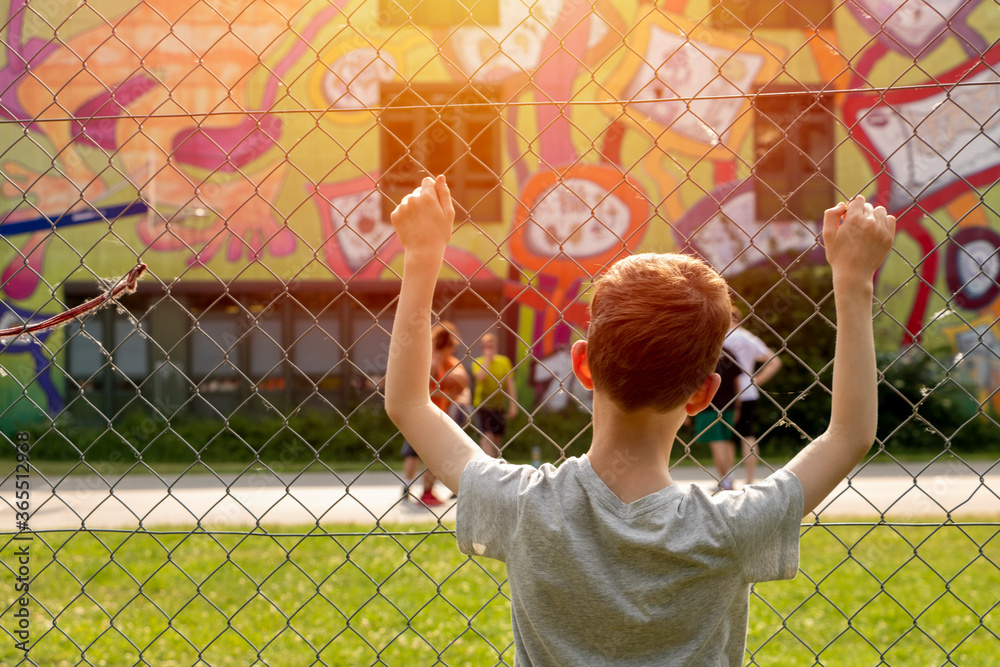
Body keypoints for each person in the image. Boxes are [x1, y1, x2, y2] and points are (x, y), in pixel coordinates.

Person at [384, 175, 895, 665]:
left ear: (582, 366)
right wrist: (853, 284)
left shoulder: (524, 509)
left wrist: (422, 256)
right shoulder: (728, 529)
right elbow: (850, 435)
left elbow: (408, 403)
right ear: (703, 394)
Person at [400, 321, 469, 507]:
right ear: (444, 346)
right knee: (423, 454)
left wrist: (448, 387)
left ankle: (426, 490)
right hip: (424, 414)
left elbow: (462, 380)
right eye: (451, 347)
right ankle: (422, 490)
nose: (452, 351)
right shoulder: (429, 362)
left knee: (431, 455)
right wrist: (446, 391)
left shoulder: (448, 362)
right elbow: (421, 391)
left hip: (438, 414)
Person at [727, 306, 783, 485]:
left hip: (728, 393)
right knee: (747, 435)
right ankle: (749, 480)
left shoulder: (722, 338)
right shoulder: (749, 338)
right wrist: (755, 380)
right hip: (748, 392)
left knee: (726, 438)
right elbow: (774, 361)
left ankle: (727, 479)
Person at [694, 342, 742, 491]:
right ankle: (729, 479)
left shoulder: (701, 354)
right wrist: (738, 405)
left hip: (708, 405)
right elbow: (737, 382)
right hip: (729, 405)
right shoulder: (729, 353)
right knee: (727, 442)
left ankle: (724, 481)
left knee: (717, 443)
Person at [472, 333, 517, 457]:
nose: (489, 349)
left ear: (496, 347)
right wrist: (487, 359)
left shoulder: (504, 362)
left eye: (491, 347)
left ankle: (495, 463)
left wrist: (513, 405)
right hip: (483, 405)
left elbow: (510, 385)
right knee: (487, 436)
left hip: (498, 406)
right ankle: (488, 465)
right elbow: (480, 377)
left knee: (497, 441)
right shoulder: (478, 362)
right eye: (486, 347)